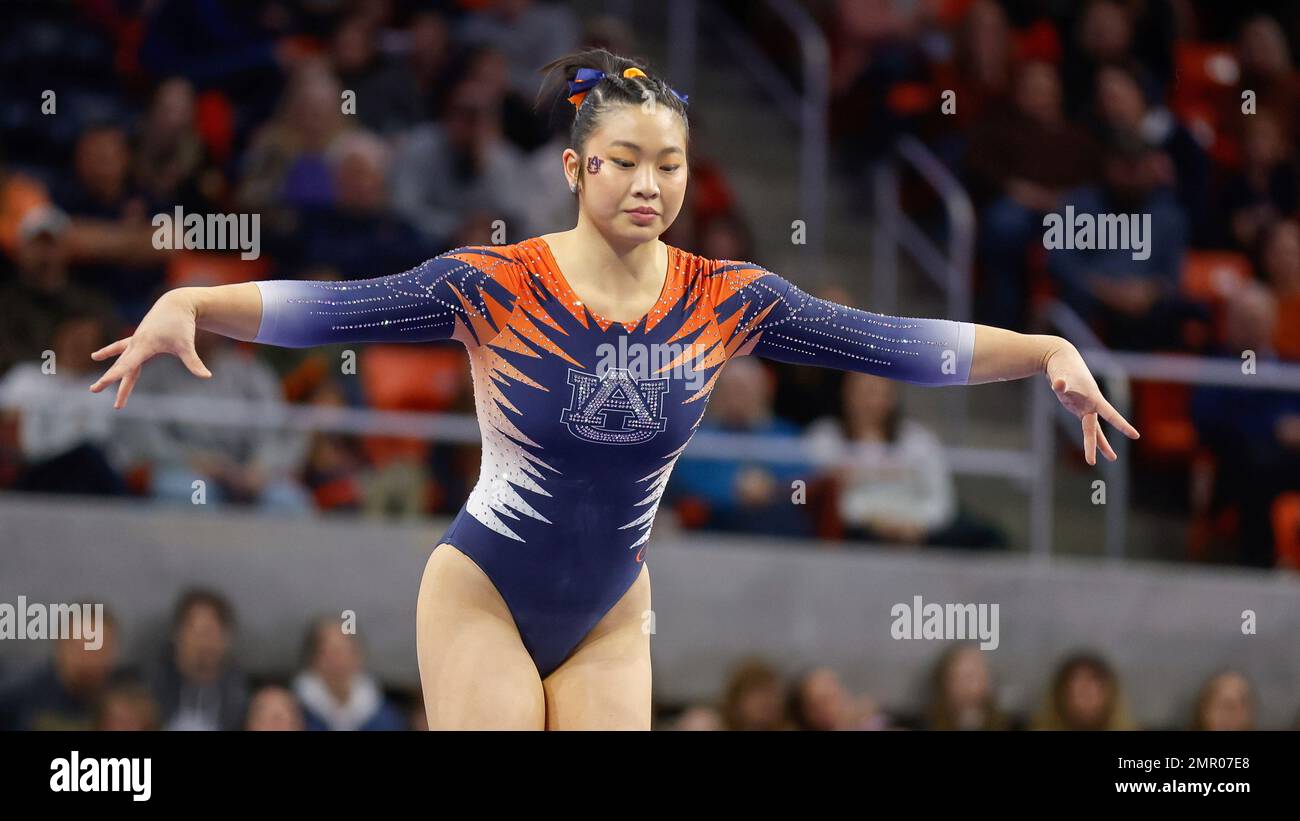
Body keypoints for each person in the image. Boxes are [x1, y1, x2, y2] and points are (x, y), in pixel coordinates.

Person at [87, 48, 1139, 730]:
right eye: (625, 161)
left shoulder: (730, 297)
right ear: (576, 170)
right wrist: (197, 307)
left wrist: (1040, 348)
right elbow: (336, 307)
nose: (650, 184)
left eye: (670, 164)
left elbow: (893, 344)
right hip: (484, 589)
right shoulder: (493, 283)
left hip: (608, 605)